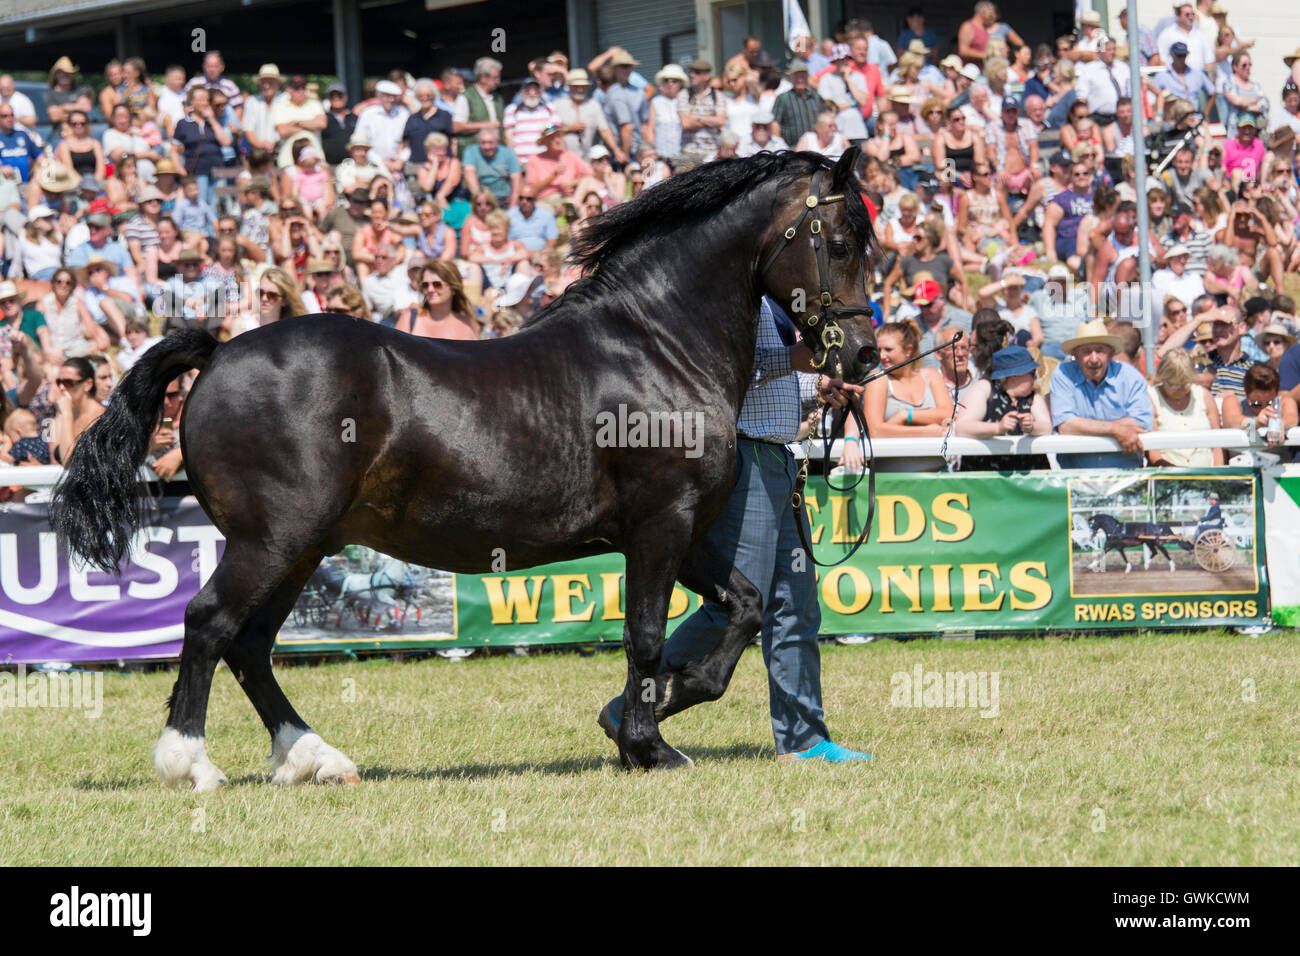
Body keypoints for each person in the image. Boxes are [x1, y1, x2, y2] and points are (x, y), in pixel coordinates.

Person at [596, 296, 872, 764]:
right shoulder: (739, 296)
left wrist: (817, 386)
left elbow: (771, 385)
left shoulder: (776, 301)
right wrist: (799, 359)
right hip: (745, 458)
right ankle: (629, 709)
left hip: (780, 456)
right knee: (733, 606)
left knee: (796, 611)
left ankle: (803, 741)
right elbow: (732, 375)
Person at [1050, 320, 1155, 468]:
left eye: (1099, 350)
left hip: (1126, 478)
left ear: (1110, 354)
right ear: (1075, 355)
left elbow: (1142, 423)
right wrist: (1116, 430)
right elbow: (1066, 426)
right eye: (1086, 352)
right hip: (1077, 480)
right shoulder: (1063, 374)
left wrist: (1083, 426)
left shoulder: (1130, 376)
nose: (1094, 359)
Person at [1147, 348, 1223, 466]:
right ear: (1163, 378)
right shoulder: (1151, 398)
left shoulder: (1204, 396)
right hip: (1167, 478)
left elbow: (1217, 446)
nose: (1180, 390)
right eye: (1174, 385)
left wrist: (1219, 476)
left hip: (1207, 477)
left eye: (1185, 384)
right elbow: (1153, 452)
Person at [393, 260, 479, 340]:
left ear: (453, 288)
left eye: (437, 284)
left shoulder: (468, 324)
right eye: (425, 285)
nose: (430, 289)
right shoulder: (410, 318)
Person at [1220, 361, 1298, 438]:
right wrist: (1256, 421)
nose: (1263, 409)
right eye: (1256, 404)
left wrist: (1278, 423)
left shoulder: (1284, 402)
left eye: (1269, 403)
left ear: (1276, 394)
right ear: (1247, 394)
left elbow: (1292, 419)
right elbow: (1231, 422)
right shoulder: (1232, 402)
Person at [461, 127, 521, 209]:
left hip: (503, 199)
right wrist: (481, 201)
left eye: (490, 143)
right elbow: (469, 174)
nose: (487, 147)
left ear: (497, 142)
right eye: (483, 143)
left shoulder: (507, 153)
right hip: (480, 198)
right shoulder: (471, 151)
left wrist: (513, 206)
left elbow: (516, 178)